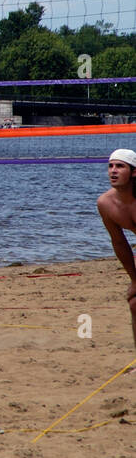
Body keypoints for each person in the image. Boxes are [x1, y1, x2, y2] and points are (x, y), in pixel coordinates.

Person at [96, 148, 136, 350]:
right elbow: (119, 242)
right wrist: (134, 280)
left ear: (134, 172)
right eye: (110, 166)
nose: (113, 170)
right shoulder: (105, 203)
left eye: (120, 166)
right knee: (134, 303)